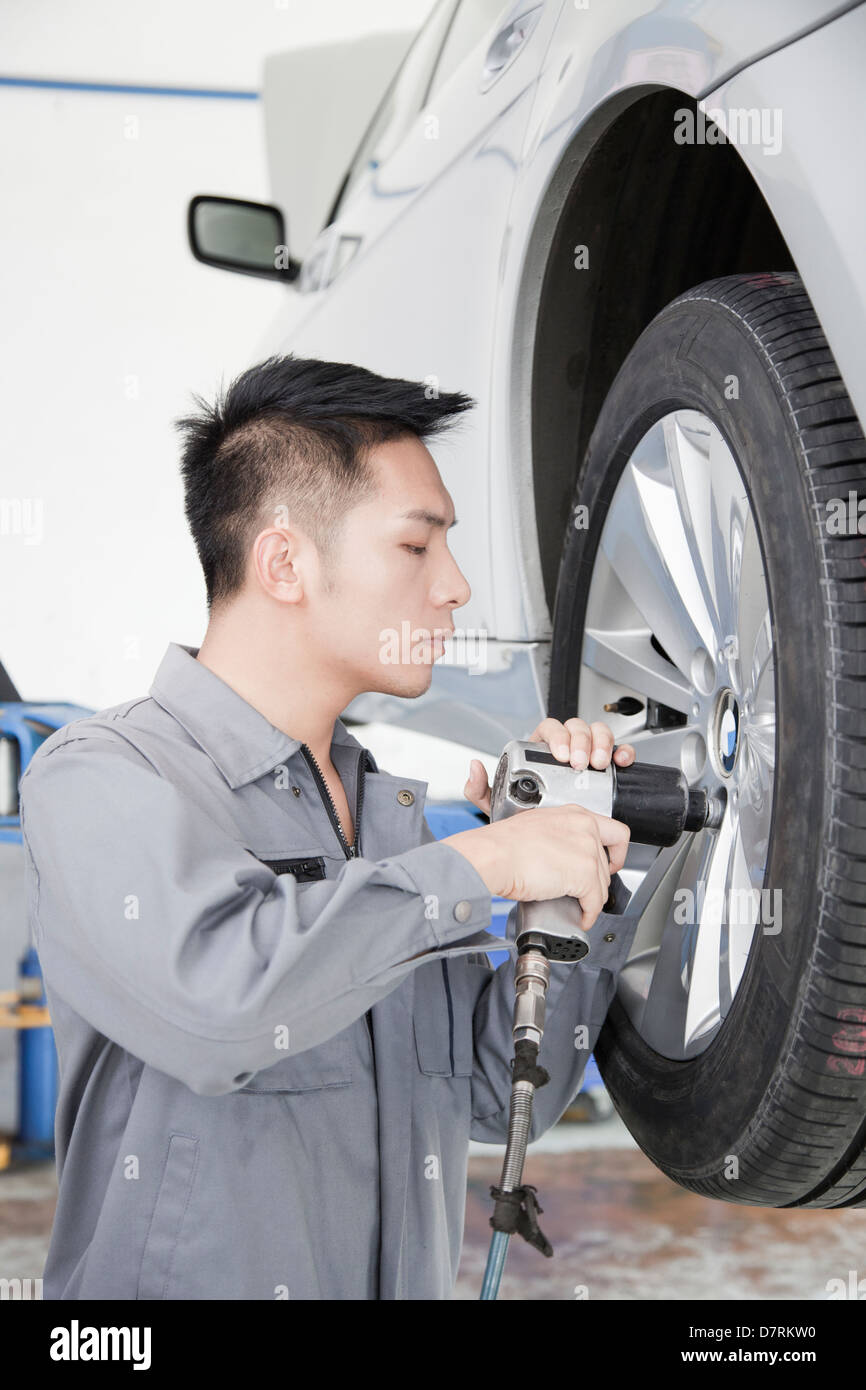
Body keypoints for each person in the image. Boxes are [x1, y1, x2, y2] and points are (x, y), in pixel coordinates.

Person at [18, 353, 636, 1301]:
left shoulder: (388, 822)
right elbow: (227, 1006)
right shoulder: (104, 778)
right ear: (284, 563)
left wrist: (569, 886)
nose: (457, 587)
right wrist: (483, 860)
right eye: (417, 546)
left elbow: (494, 1093)